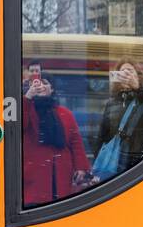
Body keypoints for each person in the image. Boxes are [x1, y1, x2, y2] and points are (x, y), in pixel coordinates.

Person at [21, 69, 92, 208]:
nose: (40, 86)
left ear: (52, 88)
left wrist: (81, 168)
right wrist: (28, 97)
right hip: (33, 174)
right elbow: (18, 127)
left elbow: (75, 142)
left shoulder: (65, 113)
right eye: (35, 83)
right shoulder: (26, 107)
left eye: (45, 83)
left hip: (61, 170)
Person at [92, 60, 143, 180]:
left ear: (137, 75)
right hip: (116, 160)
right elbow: (102, 135)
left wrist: (138, 87)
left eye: (129, 71)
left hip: (140, 159)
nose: (125, 75)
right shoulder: (112, 102)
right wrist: (98, 163)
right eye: (122, 73)